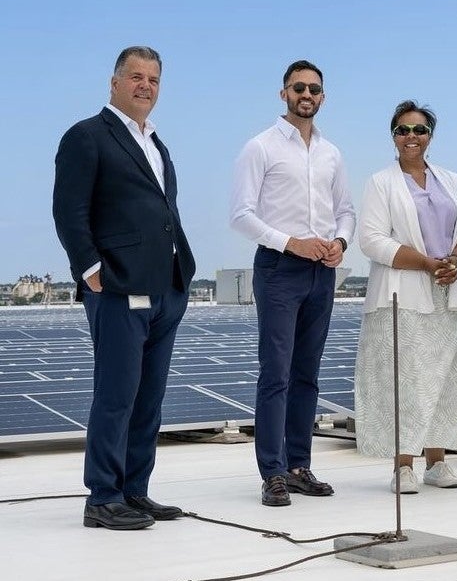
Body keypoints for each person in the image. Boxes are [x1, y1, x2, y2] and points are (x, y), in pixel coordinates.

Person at [53, 46, 196, 530]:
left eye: (154, 79)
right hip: (116, 288)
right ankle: (103, 497)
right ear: (114, 82)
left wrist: (181, 279)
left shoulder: (158, 144)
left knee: (149, 397)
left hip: (166, 289)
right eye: (135, 77)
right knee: (116, 395)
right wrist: (90, 270)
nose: (145, 86)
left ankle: (135, 490)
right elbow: (69, 211)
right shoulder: (87, 136)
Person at [230, 59, 356, 507]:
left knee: (308, 374)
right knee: (276, 373)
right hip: (280, 270)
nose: (307, 94)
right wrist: (290, 244)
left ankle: (300, 465)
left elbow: (346, 210)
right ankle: (273, 472)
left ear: (323, 97)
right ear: (283, 93)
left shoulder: (332, 153)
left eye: (315, 89)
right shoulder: (260, 147)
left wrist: (341, 241)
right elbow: (242, 215)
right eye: (299, 87)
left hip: (323, 271)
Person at [356, 100, 457, 493]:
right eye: (403, 130)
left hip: (449, 292)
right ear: (393, 136)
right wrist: (428, 263)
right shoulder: (381, 182)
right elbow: (372, 240)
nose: (412, 137)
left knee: (445, 379)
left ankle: (437, 461)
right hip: (403, 294)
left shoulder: (452, 180)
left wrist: (456, 261)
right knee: (404, 380)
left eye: (419, 130)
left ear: (431, 135)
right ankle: (403, 465)